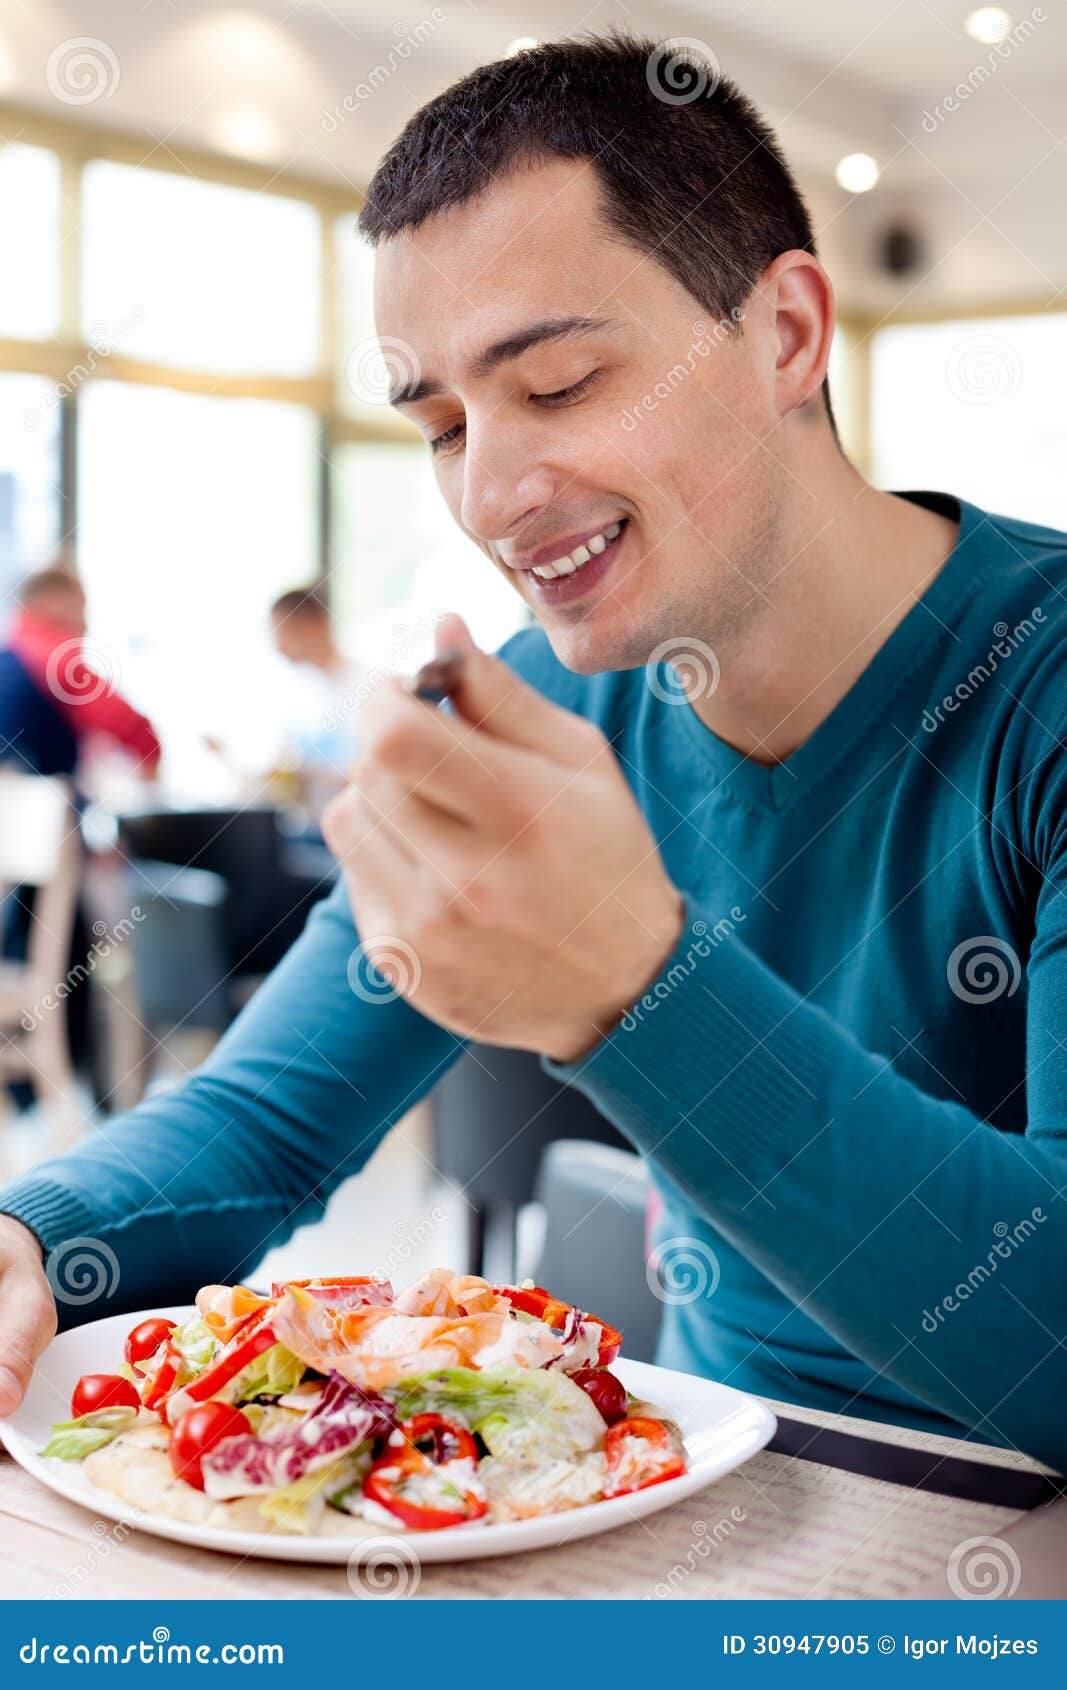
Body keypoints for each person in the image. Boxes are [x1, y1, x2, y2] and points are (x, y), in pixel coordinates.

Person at [1, 35, 1065, 1469]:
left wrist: (637, 990)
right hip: (715, 1495)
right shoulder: (536, 708)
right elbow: (263, 1120)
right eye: (439, 424)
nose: (489, 493)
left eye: (554, 384)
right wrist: (33, 1234)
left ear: (788, 336)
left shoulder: (1034, 688)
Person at [0, 568, 160, 779]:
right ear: (55, 605)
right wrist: (151, 753)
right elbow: (130, 726)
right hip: (42, 800)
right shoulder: (53, 655)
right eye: (80, 610)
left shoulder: (12, 651)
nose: (85, 625)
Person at [267, 587, 364, 791]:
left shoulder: (365, 685)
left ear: (314, 624)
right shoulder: (301, 696)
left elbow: (368, 770)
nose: (279, 648)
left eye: (284, 633)